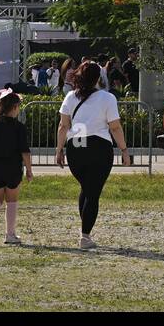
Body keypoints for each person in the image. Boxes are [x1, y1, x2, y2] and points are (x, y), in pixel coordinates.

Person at [56, 62, 130, 249]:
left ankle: (84, 230)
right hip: (99, 146)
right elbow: (115, 126)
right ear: (98, 78)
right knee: (93, 192)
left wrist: (59, 149)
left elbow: (63, 125)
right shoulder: (107, 98)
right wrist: (124, 150)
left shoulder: (71, 96)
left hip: (76, 146)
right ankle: (85, 236)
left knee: (86, 188)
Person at [0, 88, 33, 245]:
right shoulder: (19, 127)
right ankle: (10, 235)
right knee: (12, 201)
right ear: (15, 107)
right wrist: (29, 170)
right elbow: (25, 151)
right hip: (12, 166)